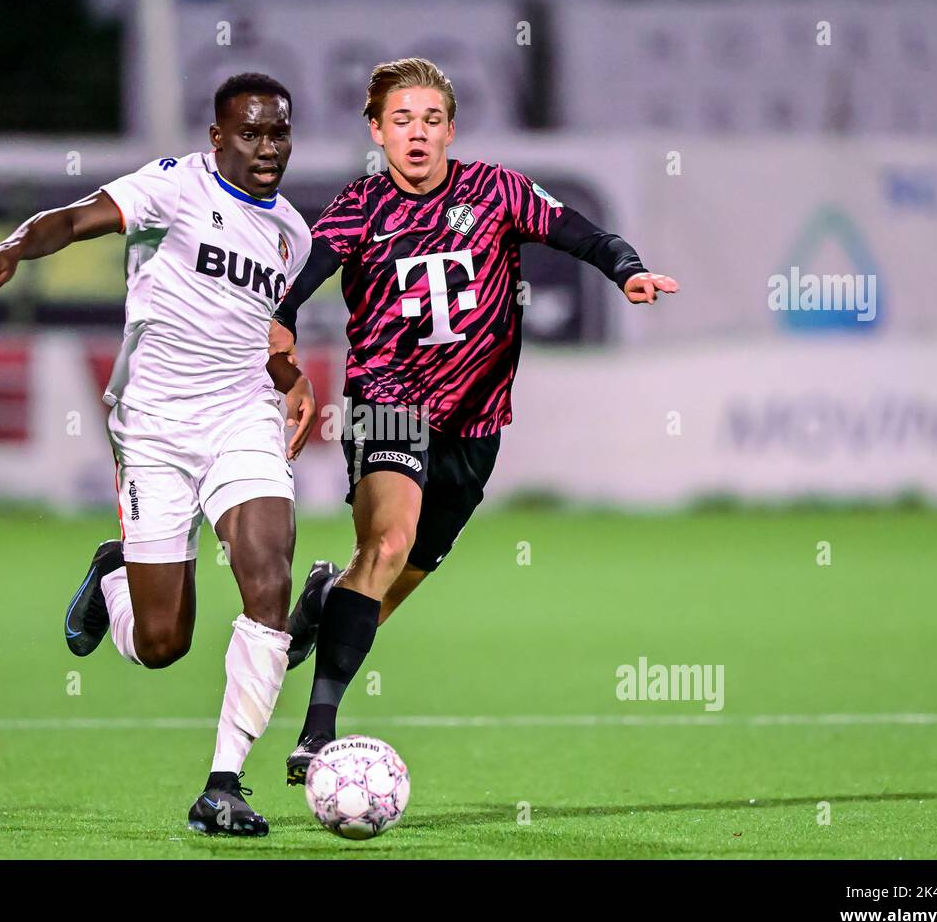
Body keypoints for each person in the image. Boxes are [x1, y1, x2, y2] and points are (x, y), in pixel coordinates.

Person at [268, 58, 679, 783]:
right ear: (377, 130)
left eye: (431, 120)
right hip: (387, 400)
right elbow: (294, 286)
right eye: (401, 120)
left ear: (450, 129)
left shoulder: (496, 191)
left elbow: (579, 232)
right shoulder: (358, 207)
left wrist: (628, 268)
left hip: (476, 420)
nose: (417, 133)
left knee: (398, 577)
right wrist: (284, 338)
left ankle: (327, 598)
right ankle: (315, 735)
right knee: (387, 541)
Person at [0, 73, 319, 834]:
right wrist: (15, 246)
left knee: (269, 572)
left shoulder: (293, 232)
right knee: (160, 643)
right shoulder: (173, 186)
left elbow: (261, 330)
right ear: (217, 138)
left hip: (241, 416)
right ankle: (113, 570)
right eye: (250, 133)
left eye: (279, 132)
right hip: (152, 426)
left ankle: (224, 783)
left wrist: (294, 379)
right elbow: (75, 219)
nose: (267, 148)